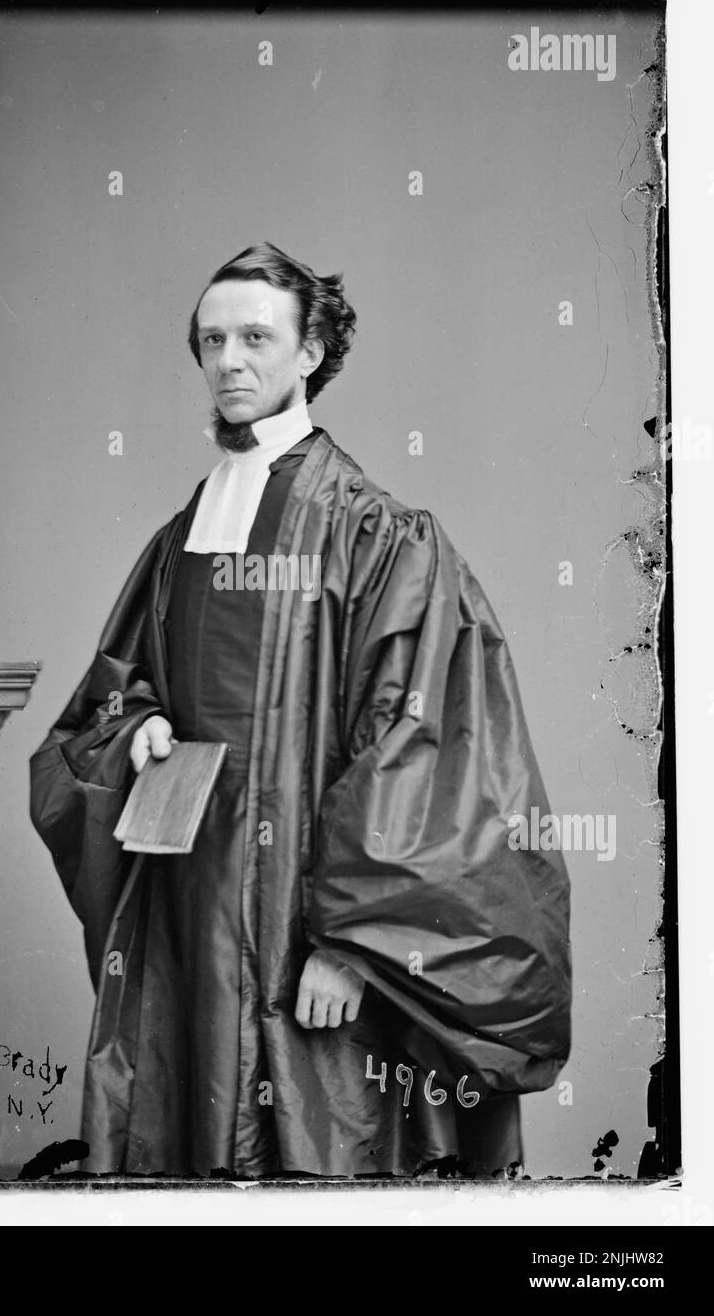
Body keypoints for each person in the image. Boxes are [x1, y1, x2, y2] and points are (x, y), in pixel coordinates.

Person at [29, 242, 571, 1179]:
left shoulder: (377, 534)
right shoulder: (182, 534)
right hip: (190, 915)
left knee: (323, 1161)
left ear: (311, 350)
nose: (228, 360)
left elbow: (419, 751)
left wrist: (358, 946)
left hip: (307, 931)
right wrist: (140, 724)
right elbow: (117, 690)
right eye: (210, 340)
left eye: (254, 337)